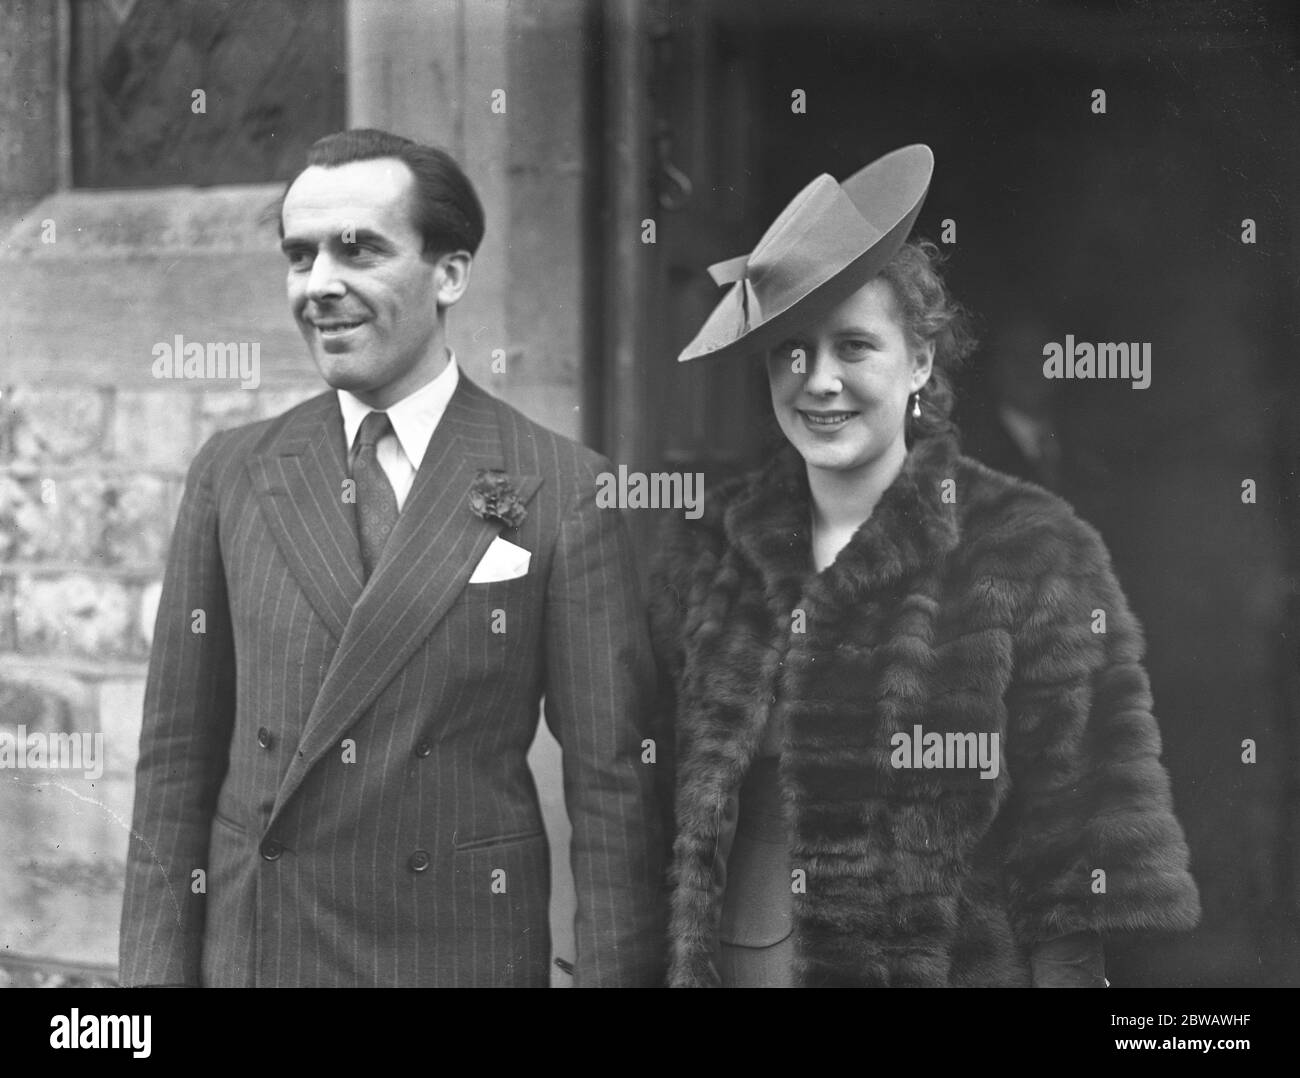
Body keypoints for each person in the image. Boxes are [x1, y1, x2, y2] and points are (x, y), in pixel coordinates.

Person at [119, 129, 666, 987]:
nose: (319, 284)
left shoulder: (563, 487)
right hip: (263, 948)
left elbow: (613, 788)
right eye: (299, 256)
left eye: (358, 250)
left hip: (457, 952)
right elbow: (173, 763)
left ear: (450, 274)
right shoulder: (233, 472)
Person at [649, 145, 1200, 987]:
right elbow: (657, 809)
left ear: (921, 362)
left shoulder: (1031, 550)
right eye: (792, 350)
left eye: (854, 347)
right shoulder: (712, 551)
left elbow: (1077, 846)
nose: (819, 381)